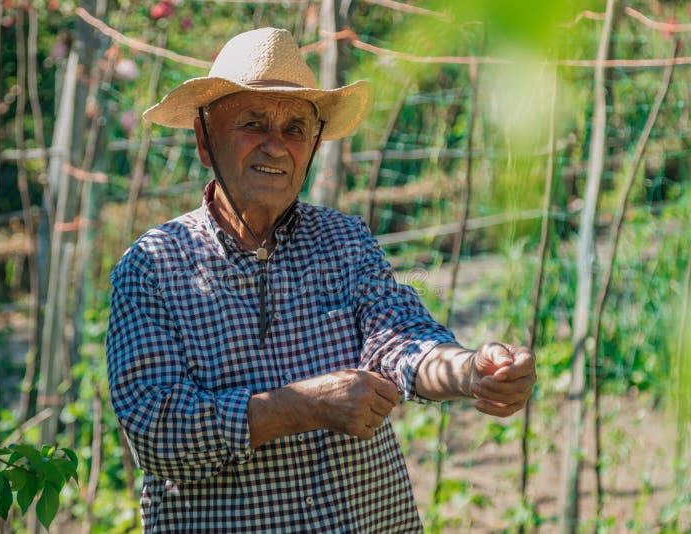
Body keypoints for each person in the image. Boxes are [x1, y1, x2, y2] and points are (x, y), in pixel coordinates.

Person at [106, 27, 536, 533]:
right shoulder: (154, 266)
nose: (277, 146)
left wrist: (471, 370)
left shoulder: (343, 238)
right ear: (205, 139)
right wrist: (301, 406)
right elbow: (156, 431)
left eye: (295, 129)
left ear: (312, 147)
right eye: (253, 123)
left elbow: (400, 338)